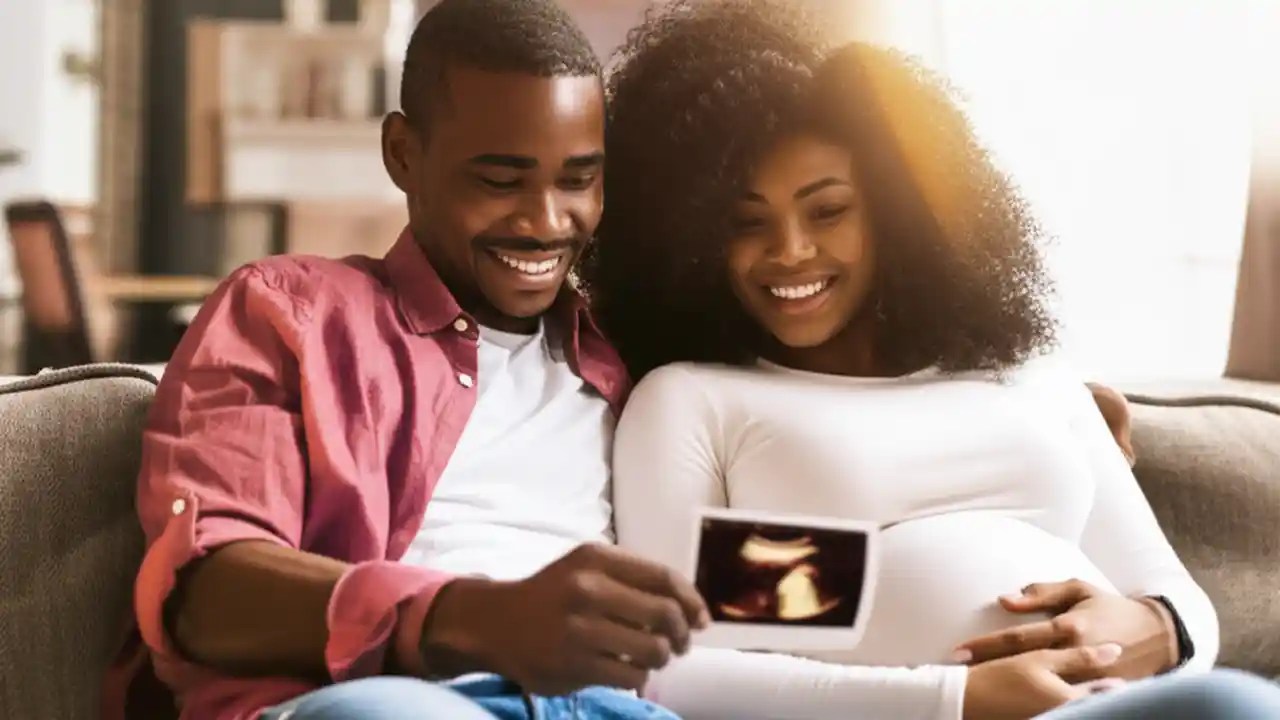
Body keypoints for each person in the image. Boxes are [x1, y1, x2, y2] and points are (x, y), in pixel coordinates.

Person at [589, 1, 1280, 719]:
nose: (790, 250)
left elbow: (1180, 597)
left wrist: (1159, 627)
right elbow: (669, 670)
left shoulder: (1029, 377)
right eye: (746, 223)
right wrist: (953, 697)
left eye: (828, 211)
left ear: (894, 210)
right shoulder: (696, 401)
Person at [112, 2, 710, 719]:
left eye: (578, 180)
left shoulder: (629, 362)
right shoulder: (287, 313)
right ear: (403, 154)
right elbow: (204, 593)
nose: (547, 221)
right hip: (381, 702)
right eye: (500, 180)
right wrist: (477, 619)